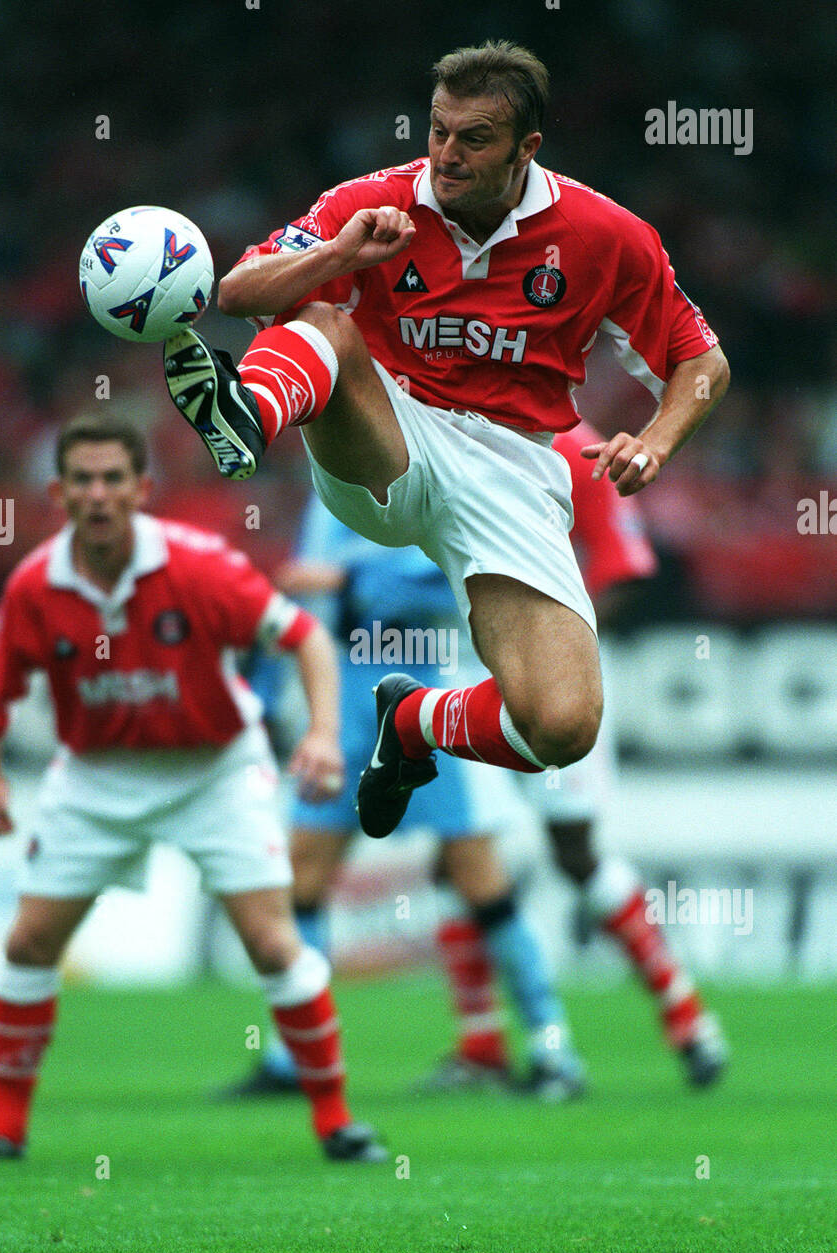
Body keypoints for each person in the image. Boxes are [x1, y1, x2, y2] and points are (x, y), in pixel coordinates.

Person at [161, 39, 729, 846]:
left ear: (527, 149)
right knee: (321, 316)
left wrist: (660, 441)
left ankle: (415, 720)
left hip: (514, 468)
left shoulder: (607, 236)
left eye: (474, 139)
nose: (446, 156)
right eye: (437, 131)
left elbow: (702, 361)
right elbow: (236, 289)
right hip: (392, 433)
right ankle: (247, 414)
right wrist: (342, 253)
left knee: (561, 727)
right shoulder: (375, 201)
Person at [0, 413, 386, 1163]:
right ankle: (1, 1127)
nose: (98, 495)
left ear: (141, 489)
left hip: (214, 771)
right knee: (30, 942)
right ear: (59, 492)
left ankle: (335, 1121)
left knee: (271, 941)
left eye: (113, 479)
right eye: (83, 481)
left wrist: (323, 734)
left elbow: (306, 637)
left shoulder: (199, 565)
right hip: (97, 777)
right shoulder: (36, 585)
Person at [217, 494, 586, 1103]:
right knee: (302, 879)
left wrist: (347, 580)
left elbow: (450, 582)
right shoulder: (323, 499)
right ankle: (294, 1056)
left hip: (422, 699)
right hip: (343, 708)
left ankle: (554, 1048)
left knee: (479, 879)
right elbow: (299, 608)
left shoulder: (424, 485)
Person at [435, 422, 728, 1085]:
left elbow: (626, 569)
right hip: (464, 673)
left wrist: (549, 644)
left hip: (561, 683)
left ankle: (686, 1018)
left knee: (575, 854)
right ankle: (482, 1047)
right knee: (457, 848)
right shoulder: (451, 425)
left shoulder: (580, 450)